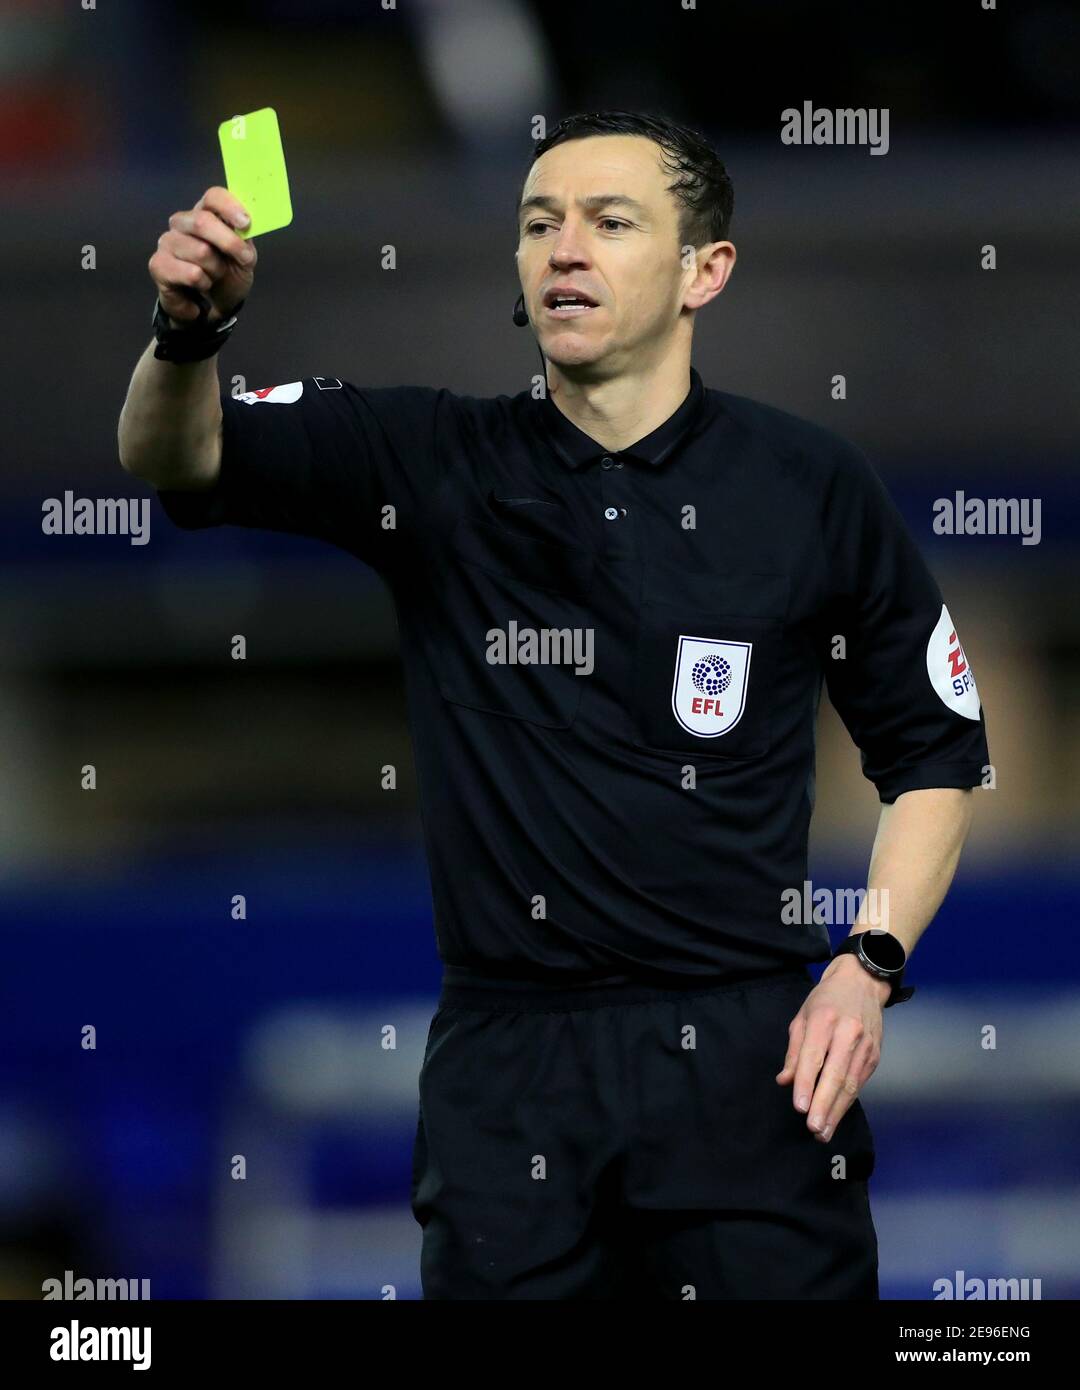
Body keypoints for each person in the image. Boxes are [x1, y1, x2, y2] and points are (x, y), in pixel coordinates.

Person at [117, 109, 989, 1299]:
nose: (563, 248)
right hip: (508, 1070)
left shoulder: (809, 486)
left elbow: (936, 754)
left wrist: (868, 962)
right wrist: (187, 332)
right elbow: (175, 455)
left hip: (749, 1063)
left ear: (703, 271)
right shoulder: (429, 460)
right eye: (539, 223)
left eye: (609, 222)